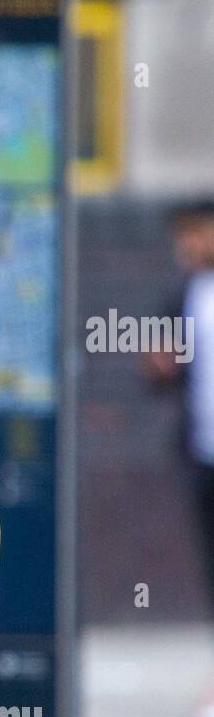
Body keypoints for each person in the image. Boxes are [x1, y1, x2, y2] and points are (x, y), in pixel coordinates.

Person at [143, 199, 214, 612]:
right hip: (202, 454)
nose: (186, 245)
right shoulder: (183, 295)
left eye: (195, 232)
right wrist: (158, 367)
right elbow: (161, 372)